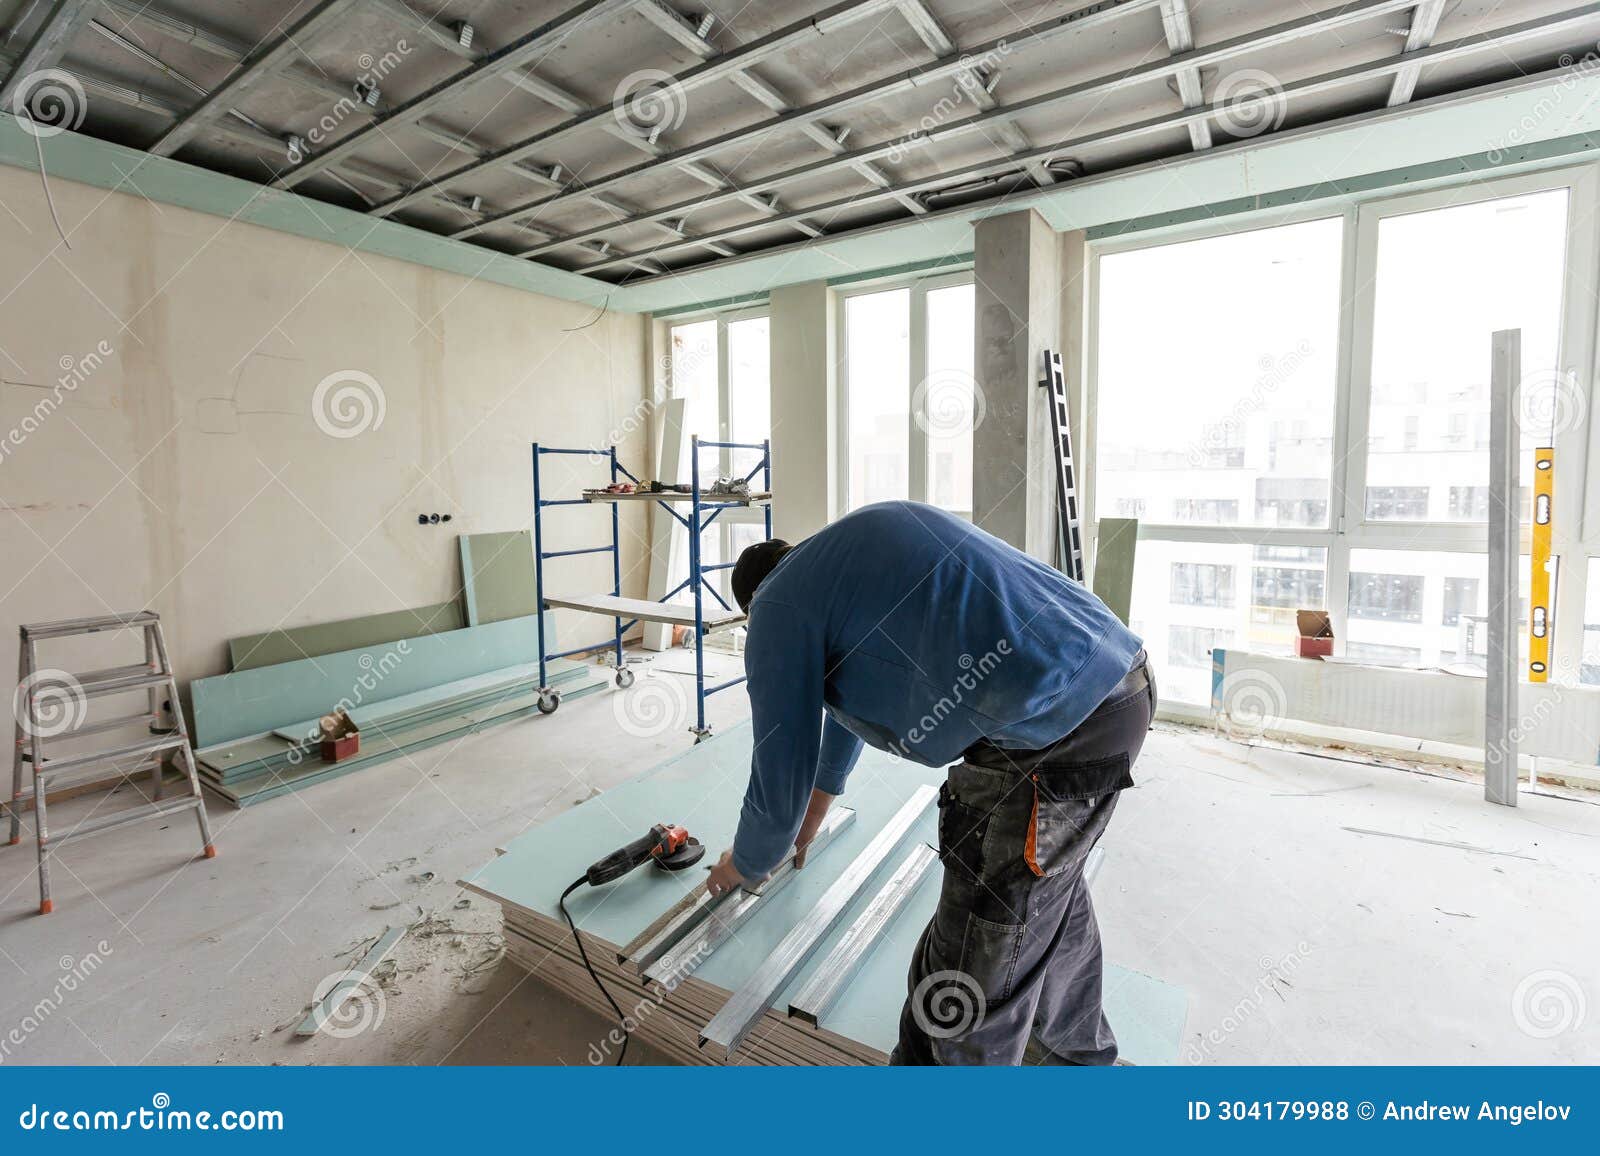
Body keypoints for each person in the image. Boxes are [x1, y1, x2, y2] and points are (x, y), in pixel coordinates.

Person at [704, 500, 1156, 1065]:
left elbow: (780, 756)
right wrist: (813, 817)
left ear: (752, 606)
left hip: (1050, 735)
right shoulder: (838, 564)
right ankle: (1078, 1066)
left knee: (961, 983)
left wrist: (747, 862)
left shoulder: (776, 605)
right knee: (1042, 908)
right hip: (1118, 685)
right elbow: (841, 708)